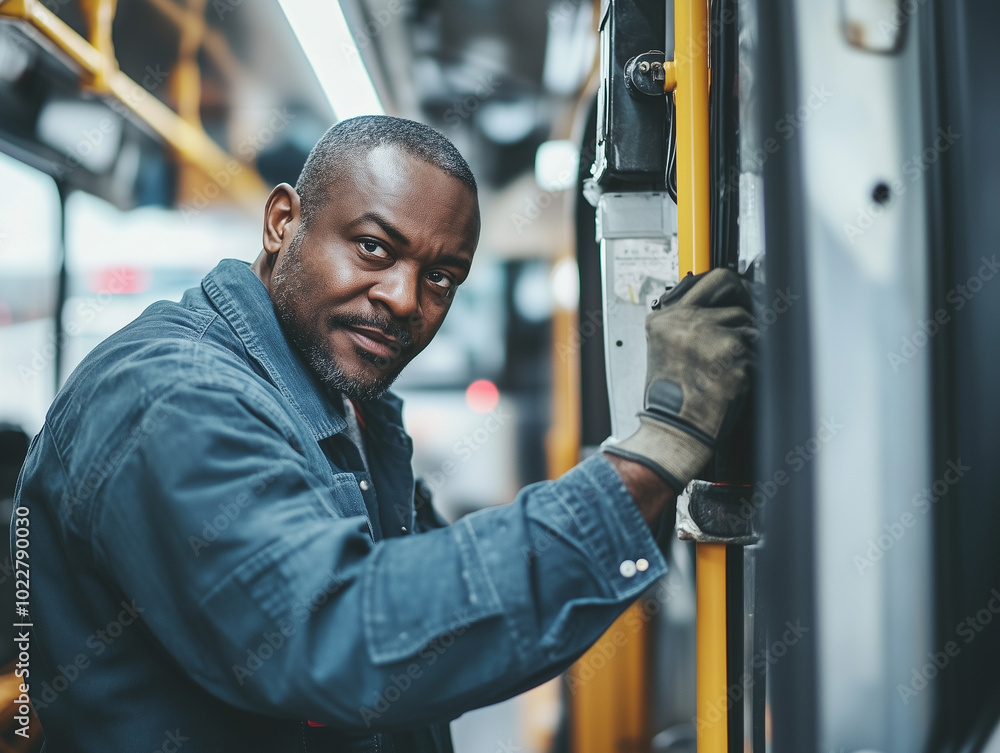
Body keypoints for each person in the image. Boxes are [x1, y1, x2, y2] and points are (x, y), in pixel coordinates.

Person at [14, 116, 755, 752]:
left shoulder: (341, 402)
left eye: (441, 277)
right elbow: (339, 633)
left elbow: (440, 608)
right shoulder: (174, 396)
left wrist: (639, 487)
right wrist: (653, 455)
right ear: (282, 221)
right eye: (373, 247)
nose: (403, 299)